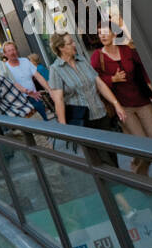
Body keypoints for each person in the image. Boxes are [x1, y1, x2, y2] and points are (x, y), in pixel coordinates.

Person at [90, 18, 152, 184]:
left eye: (105, 32)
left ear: (114, 33)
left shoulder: (127, 51)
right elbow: (95, 81)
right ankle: (140, 178)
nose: (102, 35)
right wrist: (112, 79)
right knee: (142, 147)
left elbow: (142, 69)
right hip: (123, 107)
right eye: (99, 33)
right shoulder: (97, 57)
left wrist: (150, 87)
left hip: (142, 101)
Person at [48, 32, 125, 166]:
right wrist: (63, 127)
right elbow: (58, 100)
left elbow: (99, 83)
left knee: (111, 156)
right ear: (61, 48)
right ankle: (112, 185)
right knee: (100, 160)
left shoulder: (82, 60)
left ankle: (117, 183)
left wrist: (116, 104)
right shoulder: (56, 69)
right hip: (83, 122)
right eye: (70, 43)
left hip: (101, 115)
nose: (74, 44)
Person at [0, 41, 52, 117]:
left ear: (17, 50)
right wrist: (27, 92)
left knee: (45, 122)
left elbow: (38, 76)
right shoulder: (5, 68)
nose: (12, 52)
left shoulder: (25, 61)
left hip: (35, 97)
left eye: (13, 49)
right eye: (9, 51)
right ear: (5, 54)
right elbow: (11, 84)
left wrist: (50, 90)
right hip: (19, 103)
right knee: (31, 126)